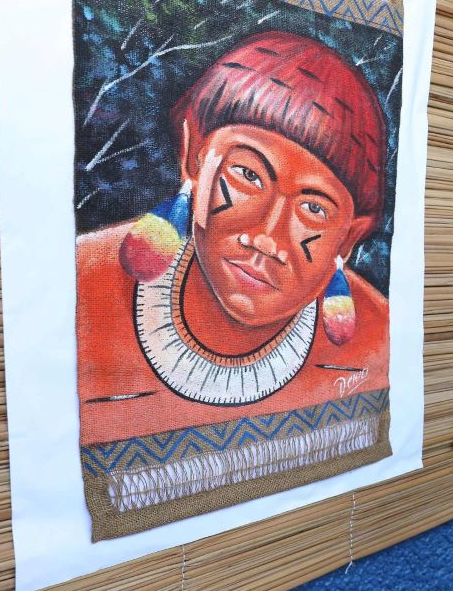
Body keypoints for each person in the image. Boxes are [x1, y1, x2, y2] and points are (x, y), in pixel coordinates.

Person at [77, 31, 391, 446]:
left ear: (349, 238)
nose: (267, 236)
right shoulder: (80, 287)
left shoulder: (377, 340)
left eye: (314, 208)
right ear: (193, 157)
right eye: (247, 175)